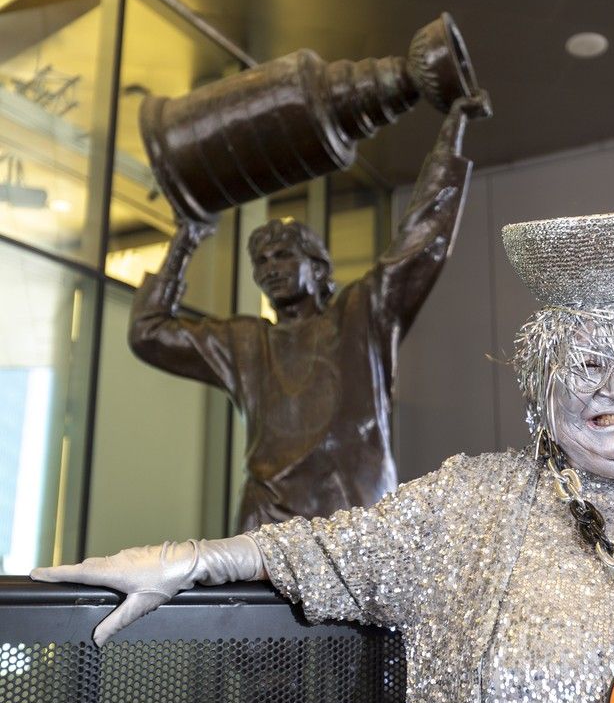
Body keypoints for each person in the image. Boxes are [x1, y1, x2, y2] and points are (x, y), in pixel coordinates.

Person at [33, 212, 614, 703]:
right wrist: (187, 561)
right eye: (584, 363)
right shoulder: (472, 503)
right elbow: (324, 551)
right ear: (544, 388)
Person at [128, 91, 491, 532]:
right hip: (266, 519)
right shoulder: (244, 342)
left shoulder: (361, 315)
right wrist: (185, 240)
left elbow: (421, 239)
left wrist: (451, 134)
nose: (270, 269)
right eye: (261, 263)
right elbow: (148, 332)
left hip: (356, 515)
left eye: (282, 256)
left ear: (318, 269)